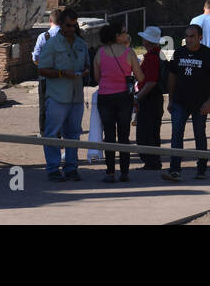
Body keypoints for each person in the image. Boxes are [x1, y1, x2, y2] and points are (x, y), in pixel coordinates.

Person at [37, 11, 90, 181]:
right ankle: (52, 168)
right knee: (52, 133)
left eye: (75, 25)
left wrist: (85, 71)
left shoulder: (82, 43)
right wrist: (61, 73)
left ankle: (71, 167)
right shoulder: (51, 44)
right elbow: (42, 69)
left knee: (73, 134)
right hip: (58, 95)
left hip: (76, 96)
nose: (72, 29)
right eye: (68, 25)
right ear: (60, 24)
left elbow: (87, 64)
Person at [166, 24, 210, 182]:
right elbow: (172, 76)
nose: (189, 39)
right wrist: (170, 99)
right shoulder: (179, 53)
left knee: (199, 134)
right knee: (176, 134)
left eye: (192, 36)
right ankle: (175, 170)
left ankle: (202, 169)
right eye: (187, 36)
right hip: (179, 102)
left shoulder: (208, 54)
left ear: (200, 37)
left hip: (200, 103)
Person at [93, 21, 143, 182]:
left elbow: (96, 78)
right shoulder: (129, 53)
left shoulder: (100, 53)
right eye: (124, 32)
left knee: (109, 135)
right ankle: (124, 172)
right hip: (124, 98)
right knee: (124, 135)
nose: (127, 34)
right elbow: (140, 77)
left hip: (105, 97)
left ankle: (109, 172)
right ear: (117, 36)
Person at [134, 26, 165, 174]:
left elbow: (151, 82)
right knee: (151, 131)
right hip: (153, 98)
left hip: (149, 98)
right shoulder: (156, 55)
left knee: (146, 132)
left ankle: (151, 161)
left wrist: (137, 97)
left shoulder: (152, 57)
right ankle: (152, 161)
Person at [32, 10, 64, 136]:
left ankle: (44, 133)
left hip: (45, 76)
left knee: (44, 107)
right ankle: (59, 133)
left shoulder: (43, 37)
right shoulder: (66, 37)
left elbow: (35, 58)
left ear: (50, 21)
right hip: (61, 76)